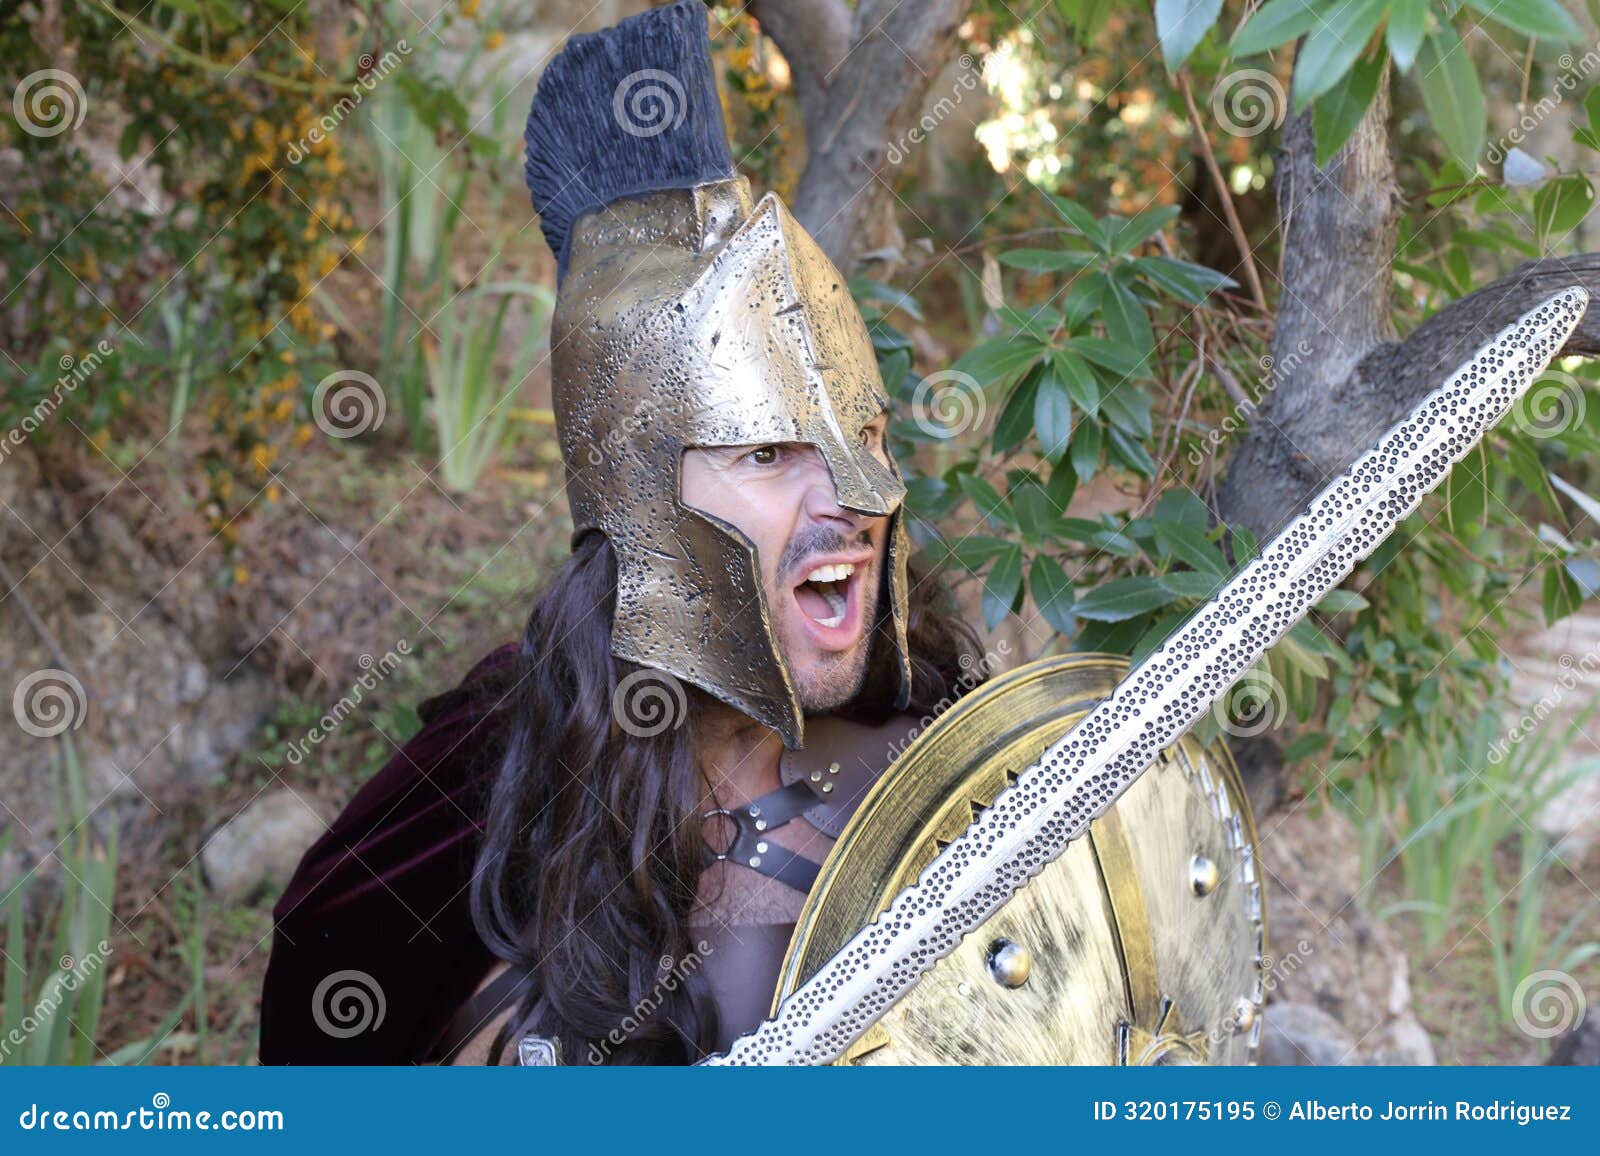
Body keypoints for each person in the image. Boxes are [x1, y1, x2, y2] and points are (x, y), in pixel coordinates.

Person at [258, 0, 984, 1066]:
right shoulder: (489, 777)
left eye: (862, 436)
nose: (852, 498)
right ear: (641, 494)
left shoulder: (947, 757)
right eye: (767, 452)